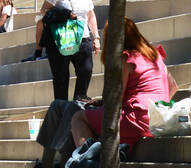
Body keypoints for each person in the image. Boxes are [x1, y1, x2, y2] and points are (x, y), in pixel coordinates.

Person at [70, 18, 177, 152]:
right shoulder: (155, 56)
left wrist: (101, 103)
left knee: (78, 117)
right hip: (159, 118)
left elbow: (115, 99)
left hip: (136, 119)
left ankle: (87, 162)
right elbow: (173, 87)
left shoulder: (126, 58)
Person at [25, 0, 101, 102]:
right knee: (61, 78)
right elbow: (44, 12)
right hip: (60, 39)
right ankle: (61, 110)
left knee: (86, 70)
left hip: (82, 37)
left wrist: (96, 37)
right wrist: (65, 14)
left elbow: (90, 15)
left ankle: (79, 100)